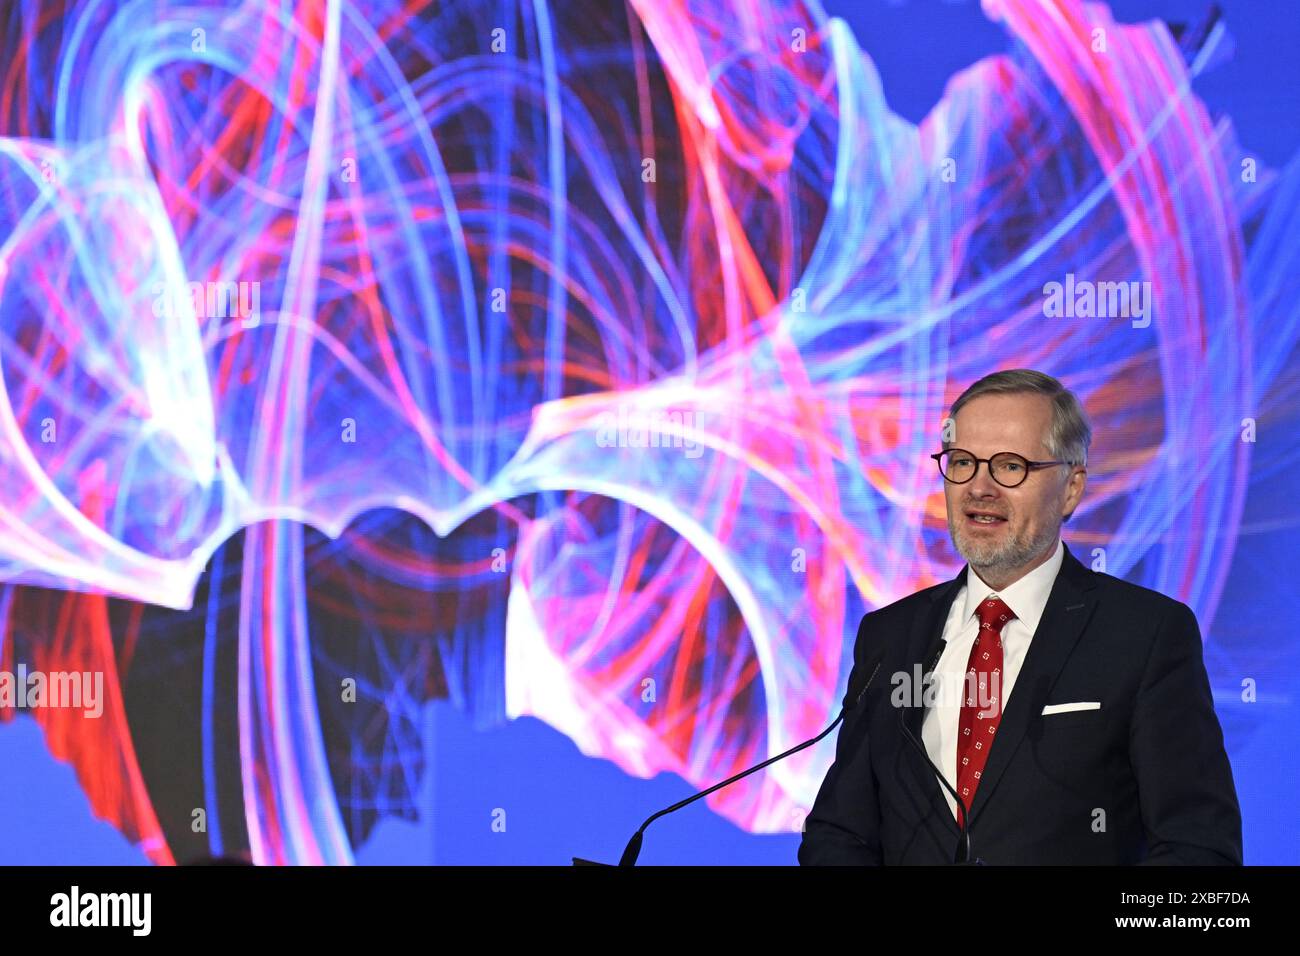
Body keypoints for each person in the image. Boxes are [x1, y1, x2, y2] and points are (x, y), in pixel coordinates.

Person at [798, 369, 1242, 865]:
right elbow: (840, 834)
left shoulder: (1146, 635)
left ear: (1071, 488)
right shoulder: (889, 637)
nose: (979, 488)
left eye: (1010, 467)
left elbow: (1198, 849)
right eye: (962, 462)